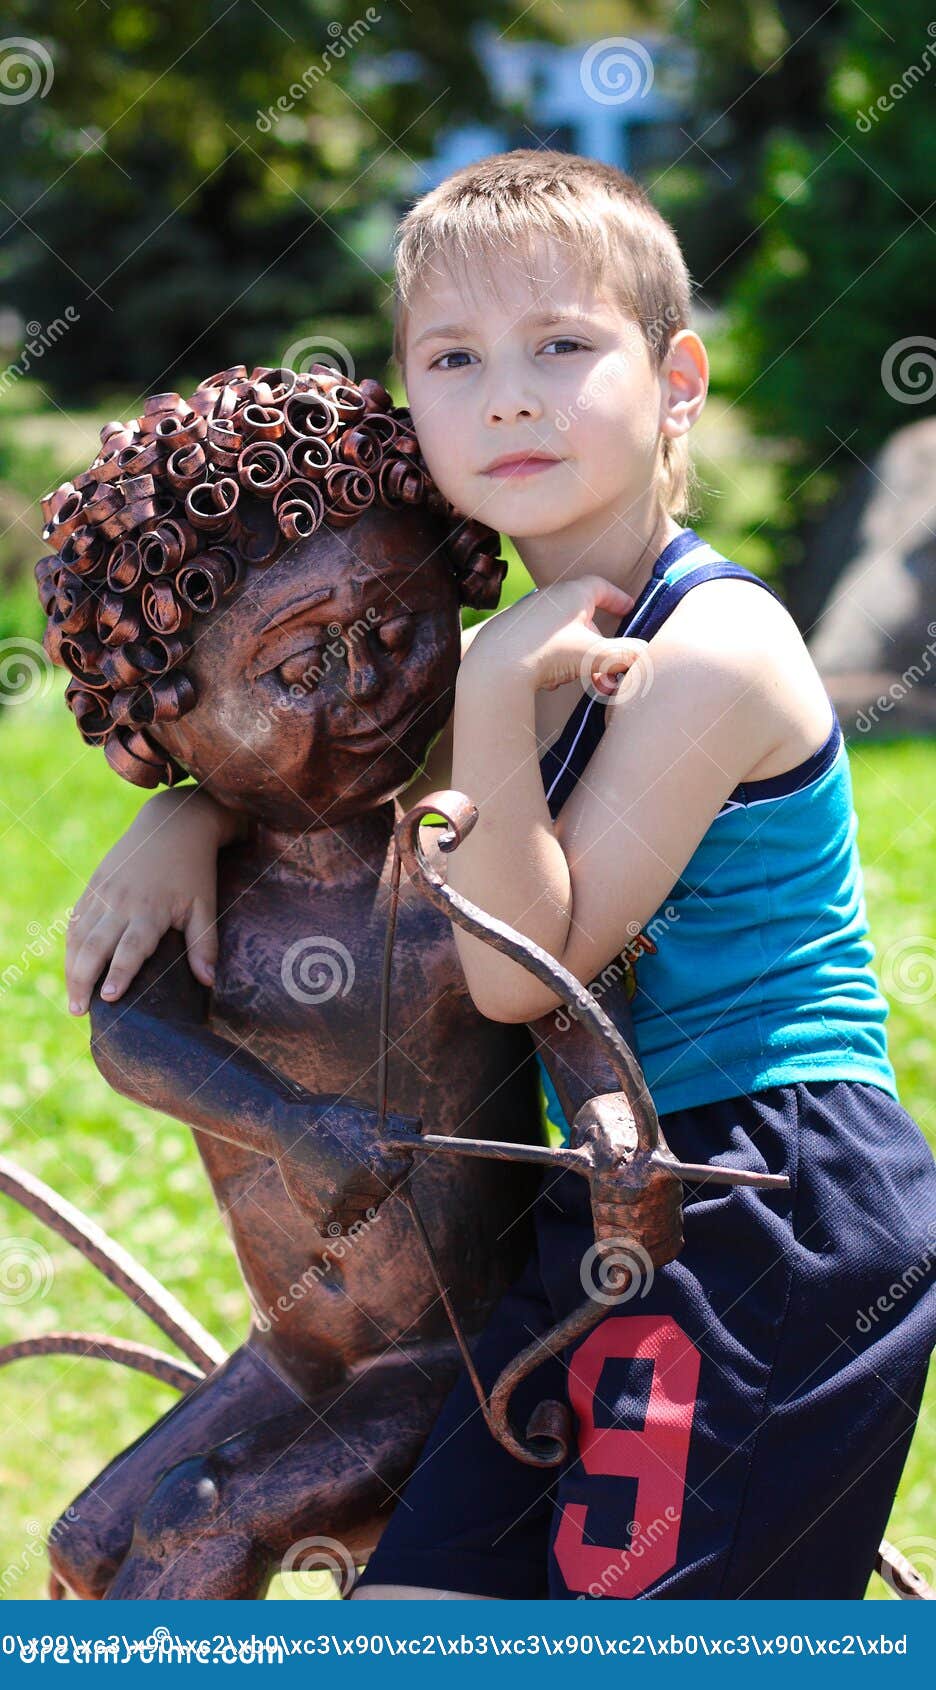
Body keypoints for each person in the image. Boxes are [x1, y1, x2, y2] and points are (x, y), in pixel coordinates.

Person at [63, 151, 935, 1599]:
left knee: (629, 1633)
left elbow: (513, 964)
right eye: (455, 358)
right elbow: (324, 774)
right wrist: (189, 818)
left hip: (762, 1193)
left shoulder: (714, 646)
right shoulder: (492, 657)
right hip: (589, 1202)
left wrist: (496, 694)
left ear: (677, 379)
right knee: (419, 1609)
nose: (510, 394)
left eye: (564, 346)